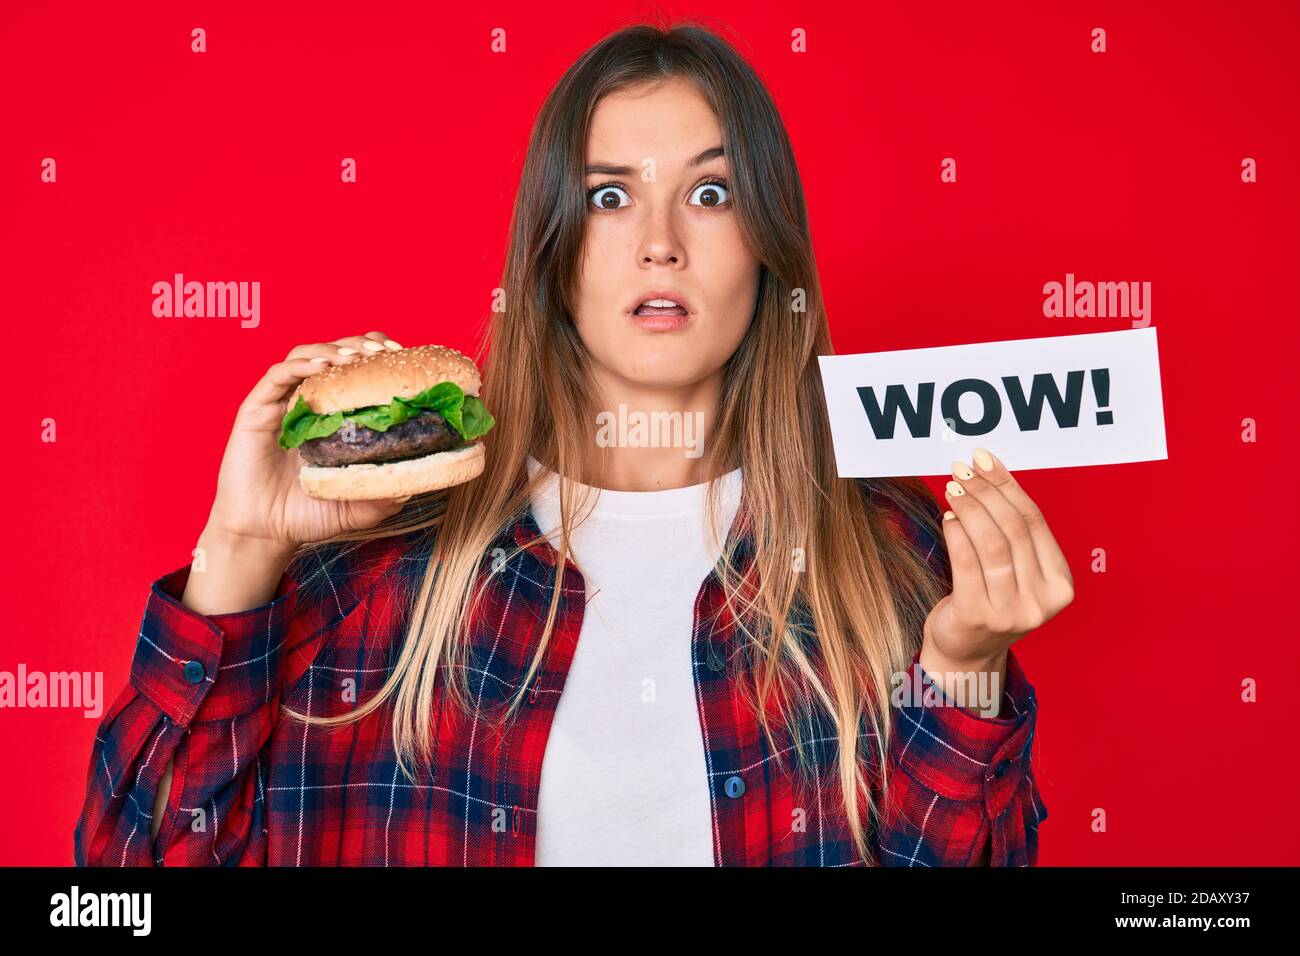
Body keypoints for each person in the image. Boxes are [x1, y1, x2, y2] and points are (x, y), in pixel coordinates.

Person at [73, 22, 1070, 867]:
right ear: (549, 256)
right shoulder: (374, 566)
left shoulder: (891, 559)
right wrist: (240, 551)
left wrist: (962, 668)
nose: (659, 241)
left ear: (770, 249)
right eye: (608, 196)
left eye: (710, 194)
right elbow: (127, 873)